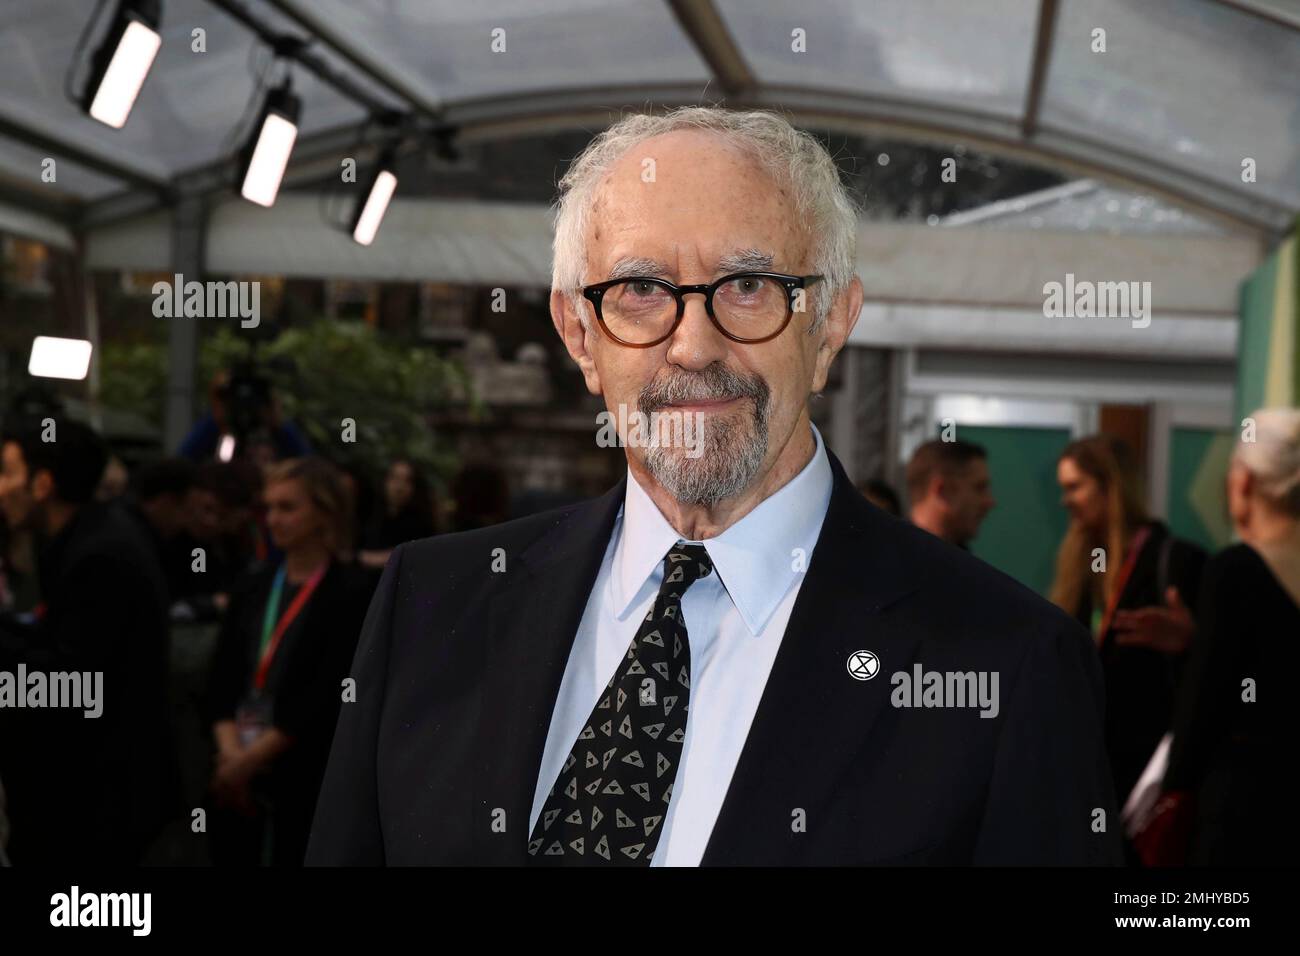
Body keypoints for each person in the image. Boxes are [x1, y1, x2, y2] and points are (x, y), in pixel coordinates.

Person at [307, 106, 1119, 866]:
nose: (693, 346)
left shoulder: (1009, 666)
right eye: (639, 290)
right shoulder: (431, 606)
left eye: (748, 286)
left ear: (830, 323)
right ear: (578, 334)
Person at [0, 421, 175, 864]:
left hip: (93, 809)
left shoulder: (99, 556)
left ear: (42, 484)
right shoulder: (90, 538)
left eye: (6, 473)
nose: (1, 489)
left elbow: (72, 689)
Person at [203, 457, 372, 866]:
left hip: (305, 773)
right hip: (238, 767)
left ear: (323, 513)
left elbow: (326, 693)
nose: (273, 519)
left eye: (288, 507)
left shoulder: (351, 593)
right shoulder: (253, 586)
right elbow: (222, 678)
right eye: (269, 507)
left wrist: (250, 758)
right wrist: (231, 756)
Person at [1157, 408, 1300, 865]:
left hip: (1246, 811)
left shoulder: (1233, 571)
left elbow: (1206, 705)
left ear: (1244, 484)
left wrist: (1171, 791)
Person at [1049, 434, 1206, 818]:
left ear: (1110, 485)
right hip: (1089, 768)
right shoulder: (1082, 566)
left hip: (1152, 774)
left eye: (1075, 487)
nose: (1065, 501)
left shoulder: (1177, 561)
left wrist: (1190, 642)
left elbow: (1218, 670)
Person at [906, 439, 995, 549]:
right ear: (942, 490)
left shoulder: (962, 561)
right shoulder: (888, 559)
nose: (990, 502)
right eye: (979, 488)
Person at [357, 458, 435, 570]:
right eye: (395, 478)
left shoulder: (421, 522)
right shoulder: (368, 514)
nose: (399, 487)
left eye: (407, 481)